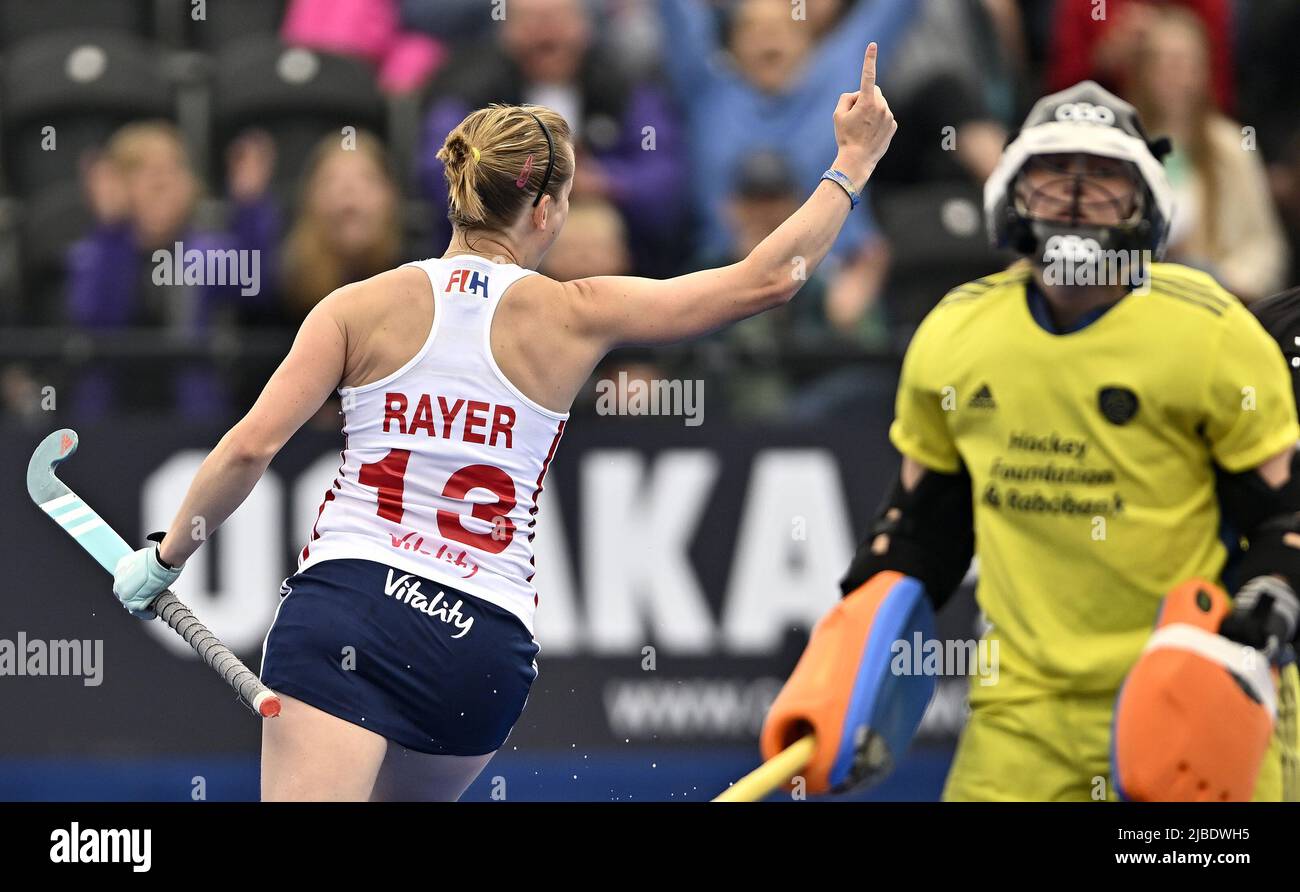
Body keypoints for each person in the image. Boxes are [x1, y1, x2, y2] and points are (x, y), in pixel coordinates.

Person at [109, 45, 897, 801]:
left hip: (350, 602)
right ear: (546, 208)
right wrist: (852, 163)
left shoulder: (356, 307)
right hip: (478, 646)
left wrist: (167, 555)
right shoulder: (576, 313)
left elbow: (249, 449)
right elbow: (765, 281)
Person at [768, 80, 1300, 800]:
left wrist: (1267, 601)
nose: (1077, 197)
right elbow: (922, 532)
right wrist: (844, 668)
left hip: (1191, 706)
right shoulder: (956, 336)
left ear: (1147, 200)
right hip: (1019, 722)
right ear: (1011, 192)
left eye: (1105, 175)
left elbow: (1284, 519)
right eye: (1054, 174)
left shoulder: (1216, 336)